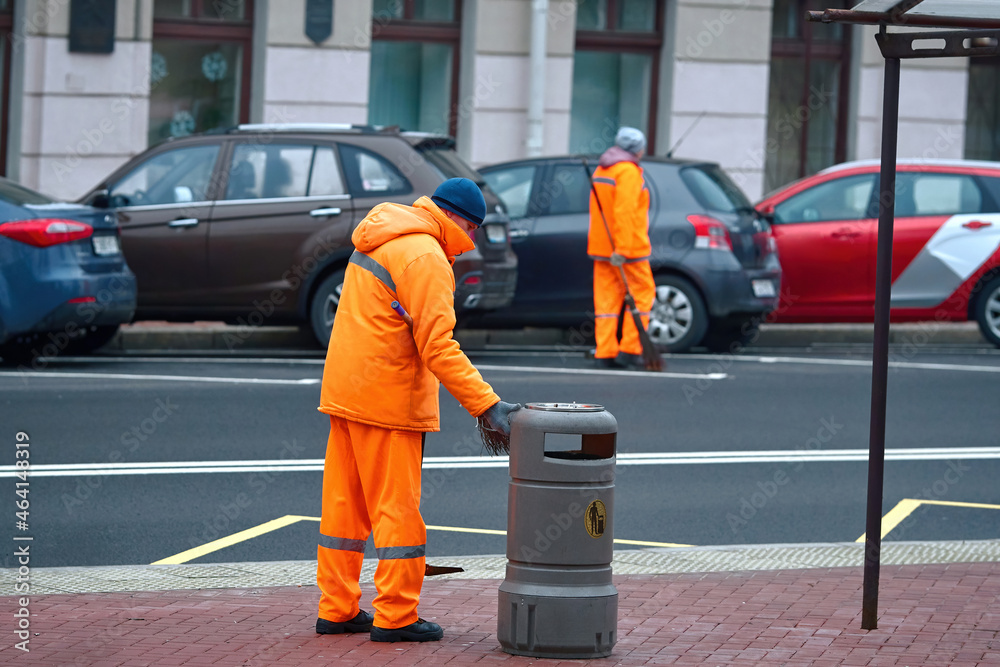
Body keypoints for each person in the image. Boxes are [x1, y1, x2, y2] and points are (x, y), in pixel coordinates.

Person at [315, 177, 520, 643]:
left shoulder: (384, 235)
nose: (466, 247)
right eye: (469, 234)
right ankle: (396, 616)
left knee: (344, 510)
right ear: (460, 221)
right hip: (387, 398)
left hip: (346, 392)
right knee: (397, 512)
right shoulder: (426, 256)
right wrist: (487, 405)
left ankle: (337, 607)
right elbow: (438, 346)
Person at [587, 126, 656, 369]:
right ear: (638, 149)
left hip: (601, 247)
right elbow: (624, 212)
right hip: (628, 250)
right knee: (642, 294)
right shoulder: (628, 172)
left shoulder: (602, 168)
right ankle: (629, 350)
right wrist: (624, 249)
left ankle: (605, 352)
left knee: (606, 300)